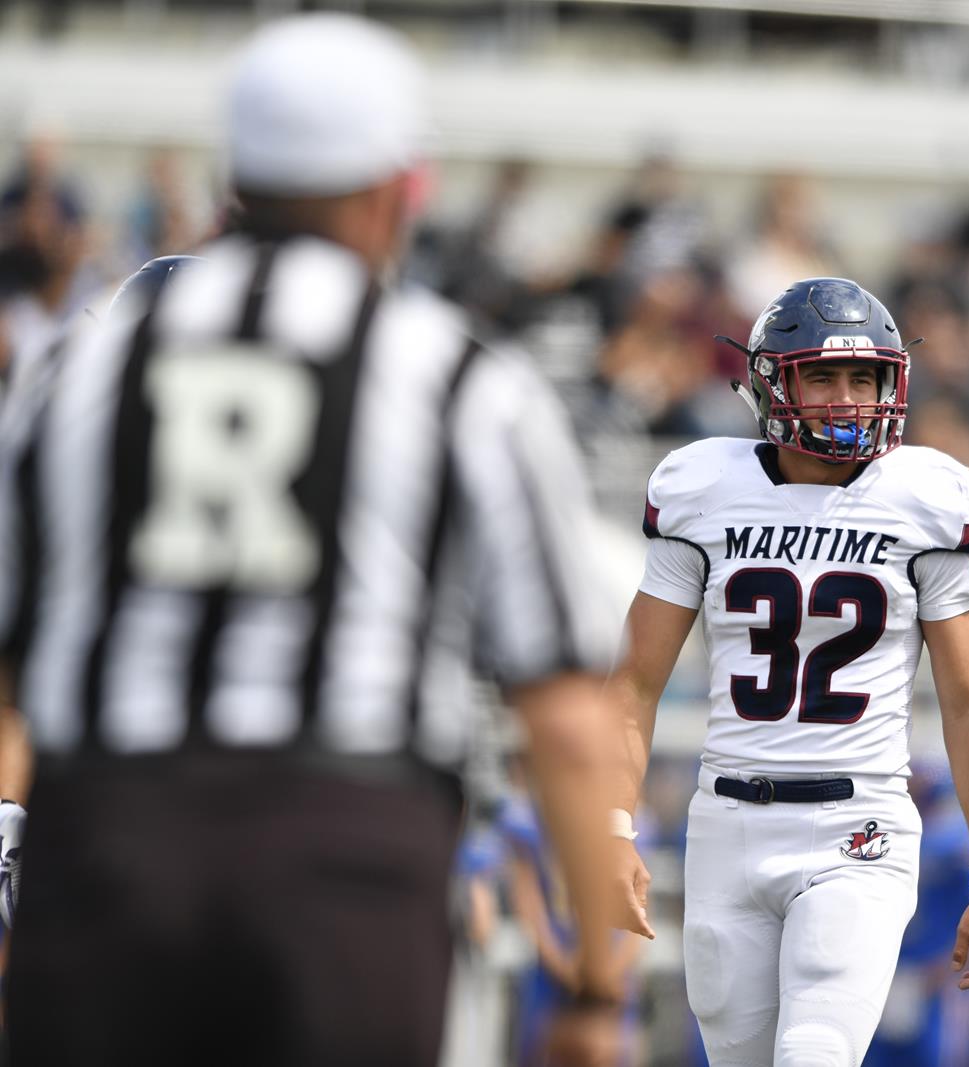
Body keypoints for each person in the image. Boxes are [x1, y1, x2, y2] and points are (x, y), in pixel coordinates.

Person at [0, 14, 626, 1066]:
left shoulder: (74, 373)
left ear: (233, 177)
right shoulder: (455, 374)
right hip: (345, 859)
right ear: (398, 188)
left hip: (109, 851)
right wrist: (596, 984)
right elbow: (566, 717)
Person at [606, 277, 969, 1066]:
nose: (845, 399)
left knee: (815, 1054)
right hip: (726, 822)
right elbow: (631, 685)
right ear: (770, 381)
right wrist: (611, 827)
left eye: (863, 378)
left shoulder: (922, 499)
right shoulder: (704, 488)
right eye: (821, 376)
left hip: (856, 826)